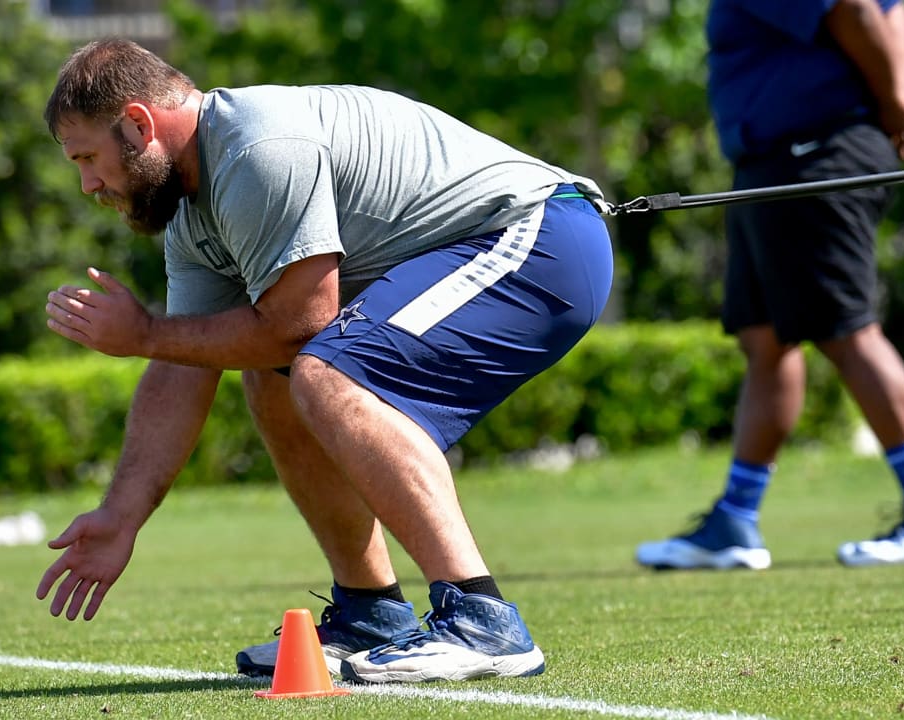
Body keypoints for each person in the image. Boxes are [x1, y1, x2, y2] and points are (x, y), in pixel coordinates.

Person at [33, 39, 614, 683]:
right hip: (511, 243)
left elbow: (297, 326)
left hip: (542, 237)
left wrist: (143, 333)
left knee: (321, 371)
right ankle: (371, 614)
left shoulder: (255, 150)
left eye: (88, 158)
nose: (88, 184)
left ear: (140, 125)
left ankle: (482, 622)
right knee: (272, 375)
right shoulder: (193, 212)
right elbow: (187, 360)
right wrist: (121, 516)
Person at [636, 0, 904, 571]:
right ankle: (735, 521)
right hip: (774, 164)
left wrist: (895, 103)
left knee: (848, 332)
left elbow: (858, 10)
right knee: (767, 339)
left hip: (814, 157)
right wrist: (896, 101)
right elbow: (891, 11)